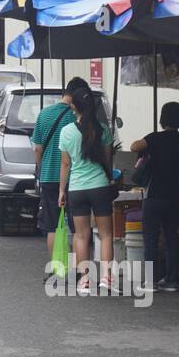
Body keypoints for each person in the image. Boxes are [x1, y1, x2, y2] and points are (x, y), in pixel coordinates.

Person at [58, 86, 117, 294]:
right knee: (106, 235)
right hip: (100, 185)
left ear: (73, 106)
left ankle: (85, 280)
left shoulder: (66, 132)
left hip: (77, 188)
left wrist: (61, 191)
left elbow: (65, 164)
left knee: (81, 236)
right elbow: (108, 160)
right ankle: (106, 278)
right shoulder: (103, 130)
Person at [130, 102, 179, 292]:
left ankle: (151, 281)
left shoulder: (155, 138)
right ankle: (171, 280)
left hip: (155, 195)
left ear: (163, 117)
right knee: (171, 237)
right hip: (174, 197)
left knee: (150, 238)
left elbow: (134, 146)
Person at [34, 78, 89, 279]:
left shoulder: (45, 114)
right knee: (78, 228)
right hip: (76, 178)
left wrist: (42, 168)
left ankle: (57, 270)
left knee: (52, 225)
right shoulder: (79, 118)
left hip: (49, 176)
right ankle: (78, 271)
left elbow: (37, 148)